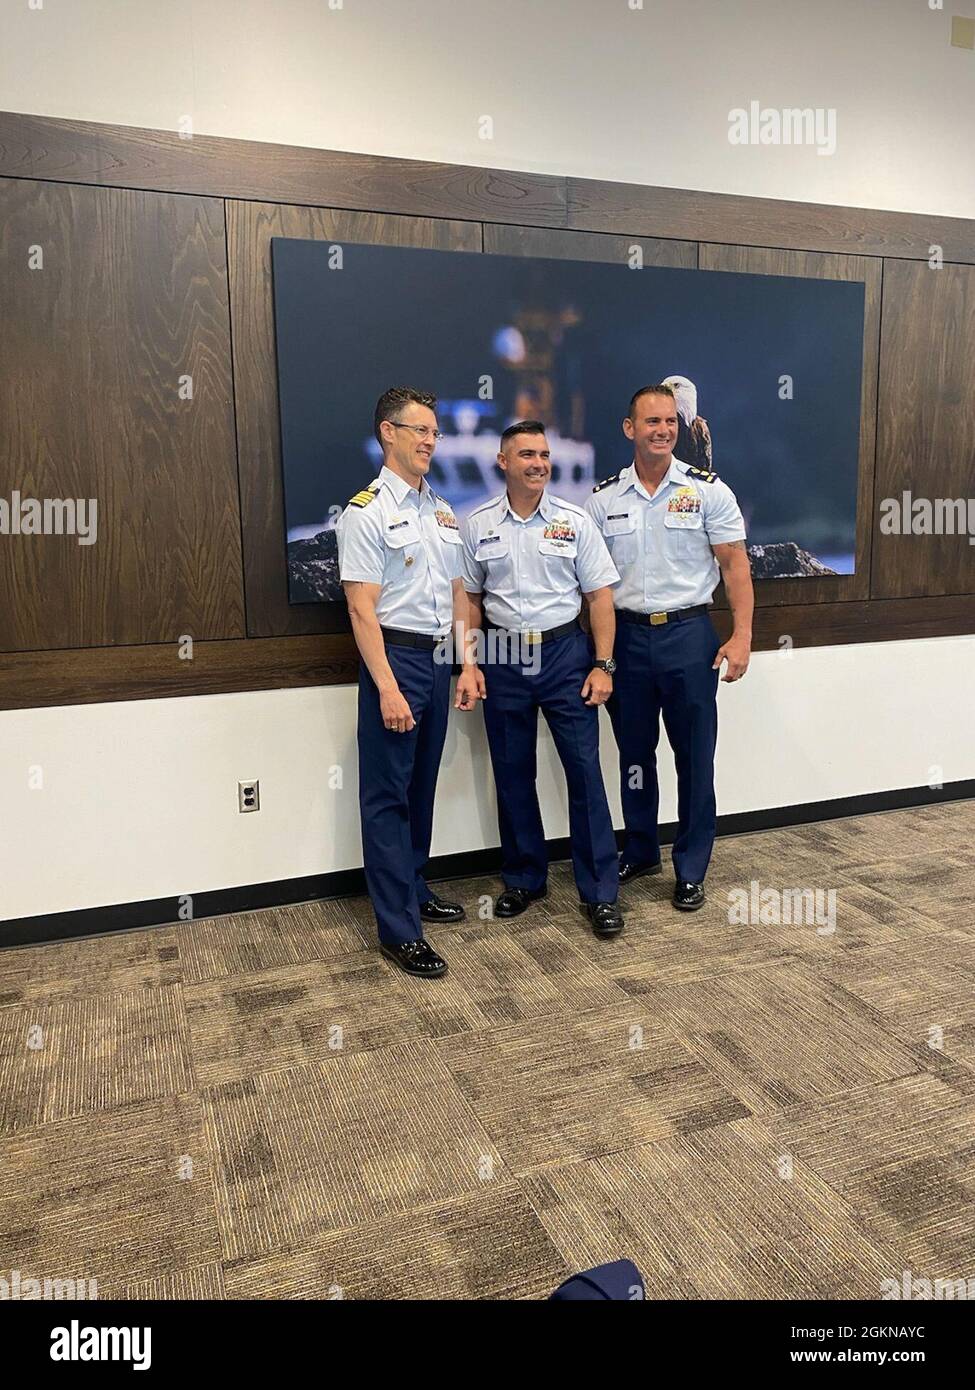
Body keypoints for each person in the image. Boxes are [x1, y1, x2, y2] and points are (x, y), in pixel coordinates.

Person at [585, 383, 753, 911]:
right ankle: (640, 848)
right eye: (651, 421)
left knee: (694, 755)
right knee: (634, 755)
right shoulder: (602, 500)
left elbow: (735, 567)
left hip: (689, 637)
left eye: (670, 422)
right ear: (629, 428)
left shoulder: (708, 491)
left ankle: (691, 866)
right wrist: (599, 656)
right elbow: (594, 587)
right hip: (627, 640)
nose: (662, 430)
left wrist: (743, 635)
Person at [456, 421, 624, 938]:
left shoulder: (574, 520)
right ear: (503, 462)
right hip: (504, 654)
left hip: (564, 653)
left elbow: (599, 598)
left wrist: (603, 664)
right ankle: (525, 878)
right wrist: (467, 663)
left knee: (585, 772)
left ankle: (599, 892)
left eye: (545, 454)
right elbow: (468, 598)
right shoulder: (477, 523)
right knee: (511, 771)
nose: (539, 463)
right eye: (526, 454)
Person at [336, 387, 480, 978]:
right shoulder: (366, 511)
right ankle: (398, 929)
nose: (429, 441)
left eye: (434, 432)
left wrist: (468, 663)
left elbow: (456, 595)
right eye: (418, 430)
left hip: (437, 658)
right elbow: (361, 610)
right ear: (386, 433)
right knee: (388, 799)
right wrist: (389, 688)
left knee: (421, 788)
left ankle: (414, 888)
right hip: (392, 662)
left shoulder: (441, 512)